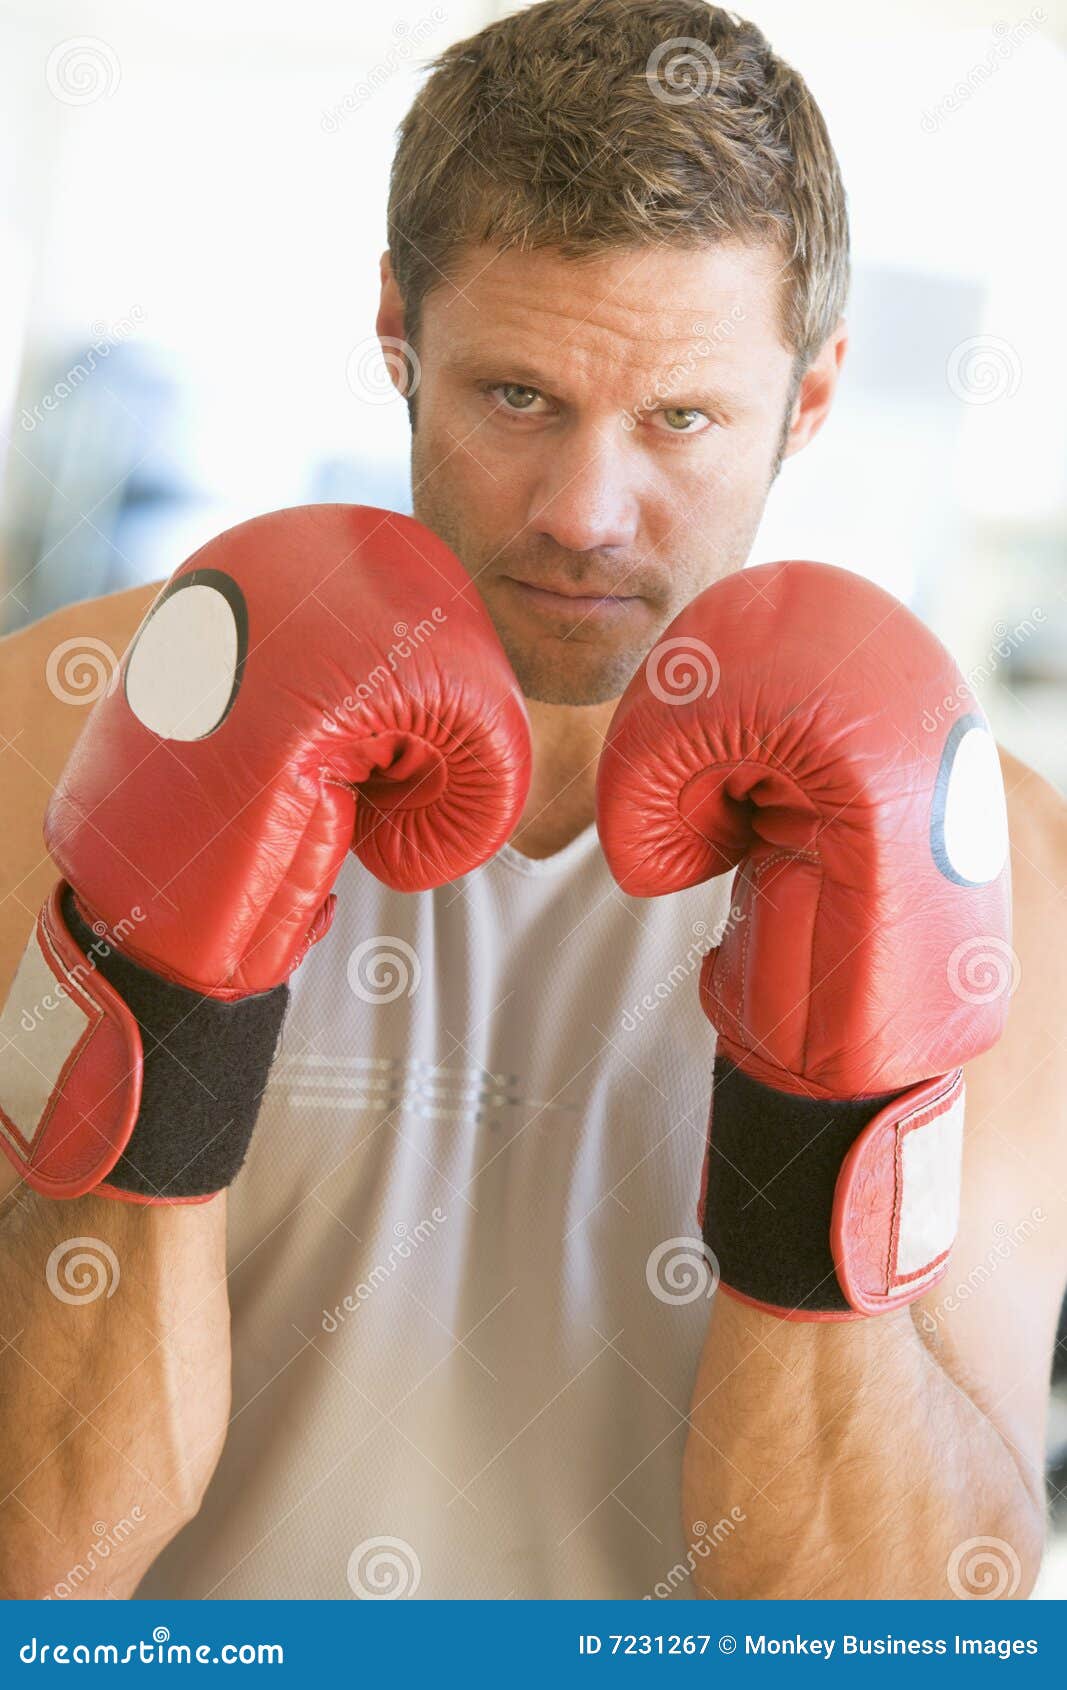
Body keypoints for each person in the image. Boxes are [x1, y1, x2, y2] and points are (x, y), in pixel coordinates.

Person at [0, 0, 1064, 1604]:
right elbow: (31, 1562)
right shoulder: (54, 728)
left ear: (814, 394)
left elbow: (914, 1621)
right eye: (518, 397)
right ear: (398, 332)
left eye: (680, 418)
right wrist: (163, 1001)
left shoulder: (999, 863)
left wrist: (826, 1122)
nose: (585, 511)